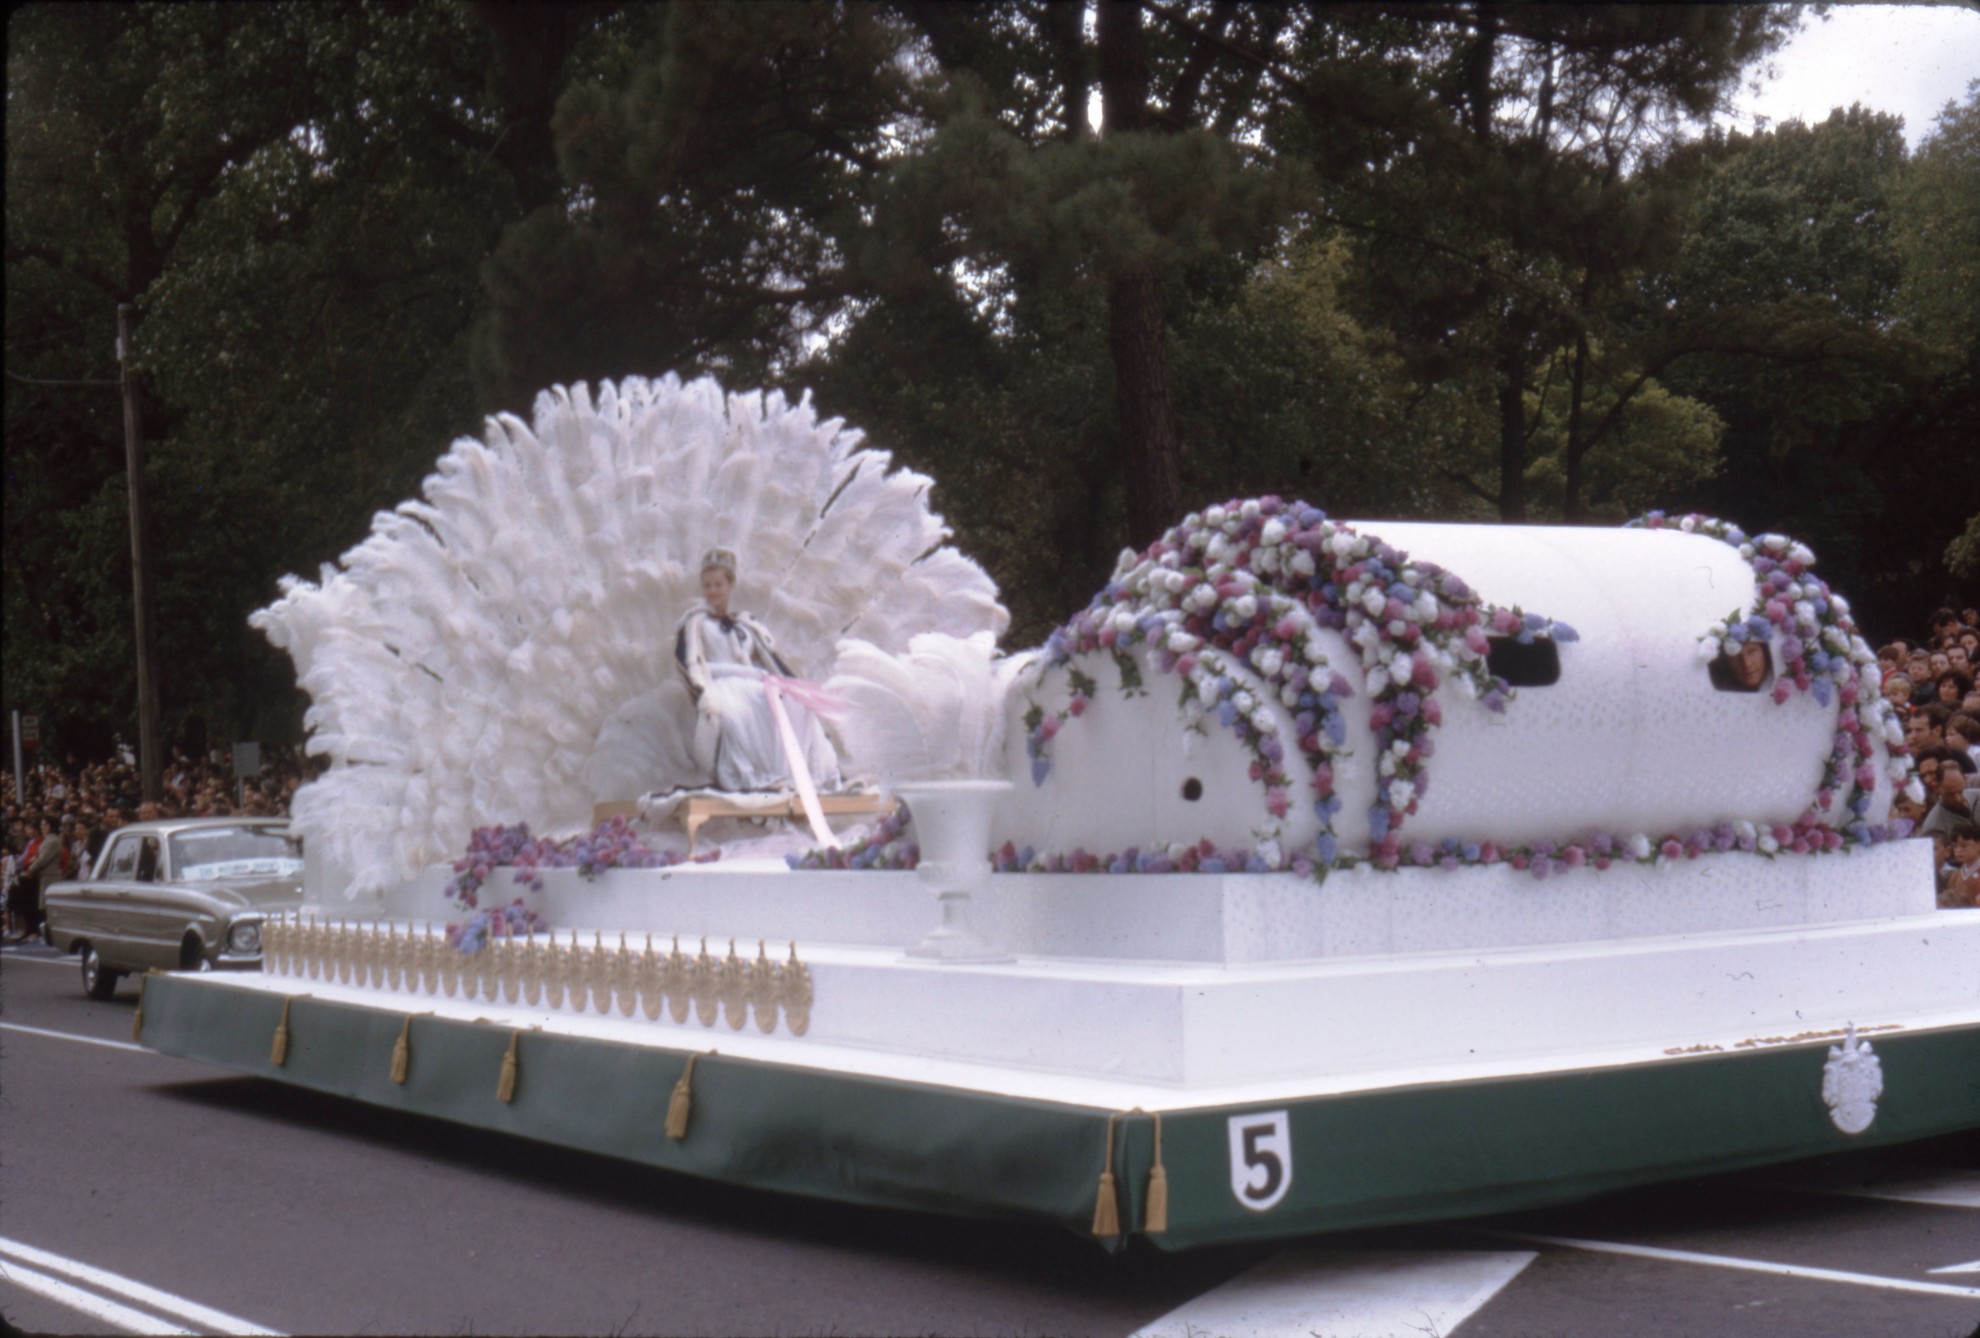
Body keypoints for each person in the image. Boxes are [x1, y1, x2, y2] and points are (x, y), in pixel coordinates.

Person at [674, 547, 840, 794]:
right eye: (707, 586)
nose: (713, 591)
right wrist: (702, 687)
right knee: (736, 714)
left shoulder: (746, 624)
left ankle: (790, 772)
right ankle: (753, 775)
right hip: (722, 683)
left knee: (792, 705)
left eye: (718, 585)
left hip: (752, 681)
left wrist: (794, 687)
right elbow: (691, 661)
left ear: (730, 586)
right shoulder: (697, 622)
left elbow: (770, 660)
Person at [1942, 823, 1980, 909]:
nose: (1959, 850)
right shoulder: (1954, 876)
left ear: (1978, 845)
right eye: (1955, 846)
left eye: (1964, 846)